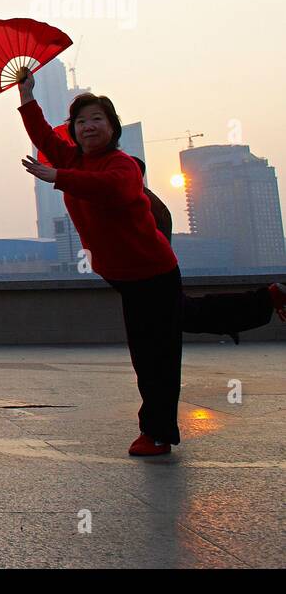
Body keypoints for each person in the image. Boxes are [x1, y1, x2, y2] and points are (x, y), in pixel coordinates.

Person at [18, 76, 186, 456]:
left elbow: (111, 189)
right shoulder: (74, 158)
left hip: (153, 273)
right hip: (122, 275)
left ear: (112, 127)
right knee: (184, 318)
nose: (88, 127)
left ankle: (157, 435)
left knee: (154, 356)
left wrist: (59, 177)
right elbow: (45, 138)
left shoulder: (122, 166)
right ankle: (265, 299)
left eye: (96, 119)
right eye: (80, 122)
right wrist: (26, 96)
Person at [130, 157, 284, 342]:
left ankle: (265, 300)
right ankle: (240, 314)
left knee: (184, 313)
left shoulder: (142, 203)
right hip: (148, 270)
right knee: (184, 312)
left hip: (149, 270)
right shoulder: (145, 200)